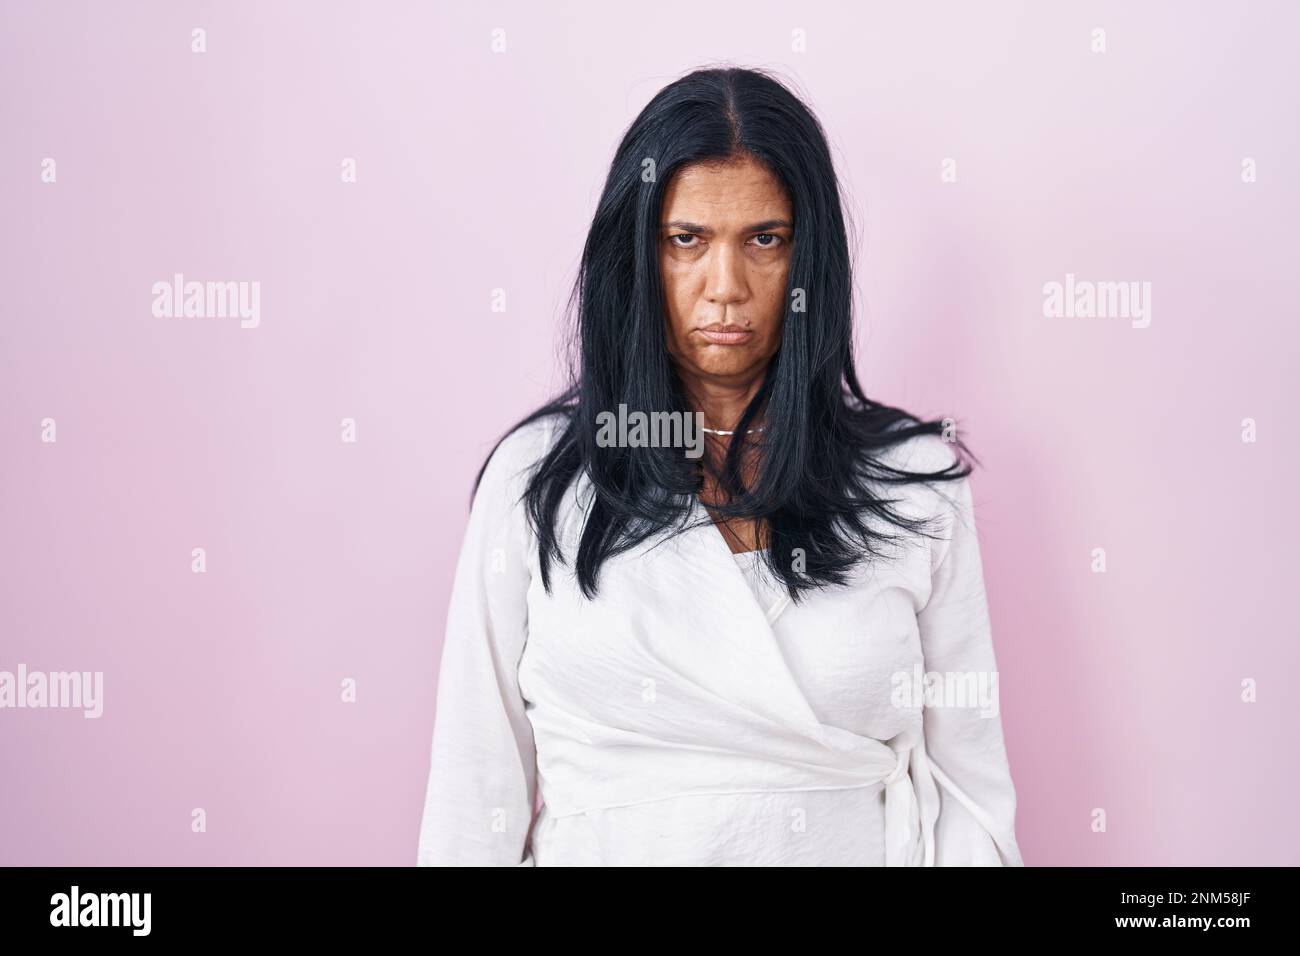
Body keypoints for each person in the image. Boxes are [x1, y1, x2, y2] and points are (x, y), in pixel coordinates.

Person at [417, 66, 1023, 866]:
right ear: (636, 256)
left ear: (810, 260)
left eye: (765, 239)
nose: (726, 288)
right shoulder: (535, 483)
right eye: (687, 240)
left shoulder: (912, 485)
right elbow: (472, 803)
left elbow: (971, 800)